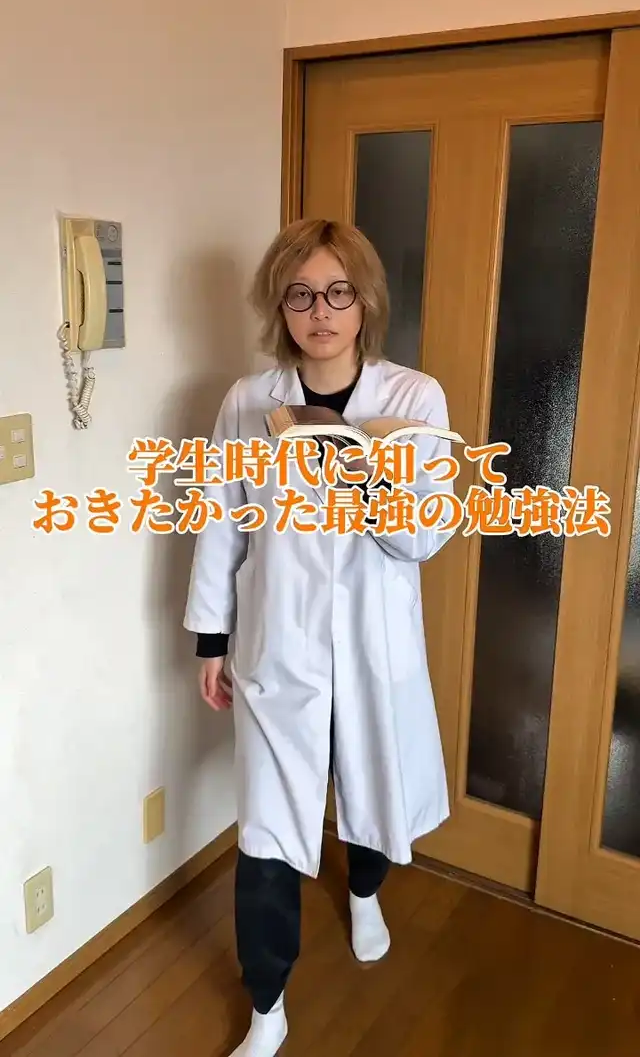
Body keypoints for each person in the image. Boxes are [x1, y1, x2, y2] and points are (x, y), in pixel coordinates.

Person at [183, 218, 459, 1057]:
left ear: (365, 301)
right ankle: (267, 1005)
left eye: (339, 292)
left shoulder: (414, 400)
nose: (321, 313)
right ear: (280, 306)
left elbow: (425, 534)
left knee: (370, 787)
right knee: (266, 830)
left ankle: (364, 889)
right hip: (280, 648)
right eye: (301, 295)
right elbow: (222, 523)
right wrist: (211, 639)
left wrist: (356, 469)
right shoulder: (246, 403)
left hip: (374, 648)